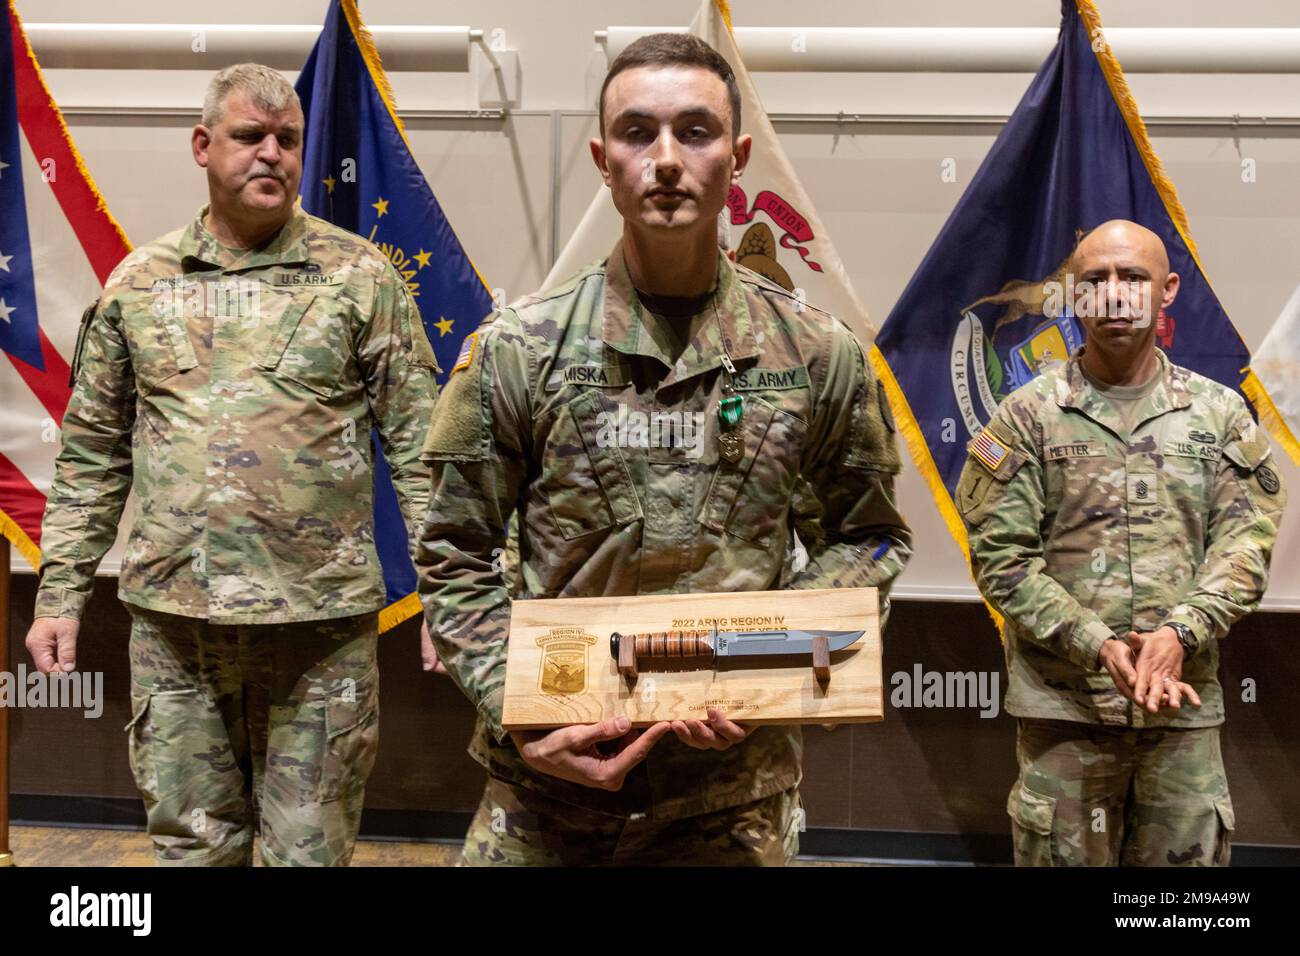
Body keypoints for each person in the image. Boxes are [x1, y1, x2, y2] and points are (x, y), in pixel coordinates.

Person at [417, 33, 911, 866]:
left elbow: (866, 539)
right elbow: (454, 553)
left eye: (696, 131)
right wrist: (521, 705)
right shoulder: (520, 350)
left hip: (732, 797)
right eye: (639, 133)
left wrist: (765, 671)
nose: (667, 159)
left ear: (738, 155)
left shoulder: (817, 355)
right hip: (545, 792)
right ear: (603, 159)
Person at [26, 63, 439, 866]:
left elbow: (425, 453)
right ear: (203, 146)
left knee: (309, 855)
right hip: (178, 631)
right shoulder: (138, 288)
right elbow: (90, 458)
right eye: (250, 136)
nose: (272, 155)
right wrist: (61, 596)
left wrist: (453, 595)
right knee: (190, 851)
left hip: (319, 633)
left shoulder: (359, 279)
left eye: (288, 139)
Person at [956, 219, 1285, 866]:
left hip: (1180, 717)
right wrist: (1096, 644)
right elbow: (1003, 561)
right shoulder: (1027, 417)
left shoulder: (1218, 416)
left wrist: (1178, 635)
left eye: (1132, 278)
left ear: (1167, 290)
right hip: (1066, 716)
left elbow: (1245, 550)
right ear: (1073, 297)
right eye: (1094, 280)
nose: (1113, 294)